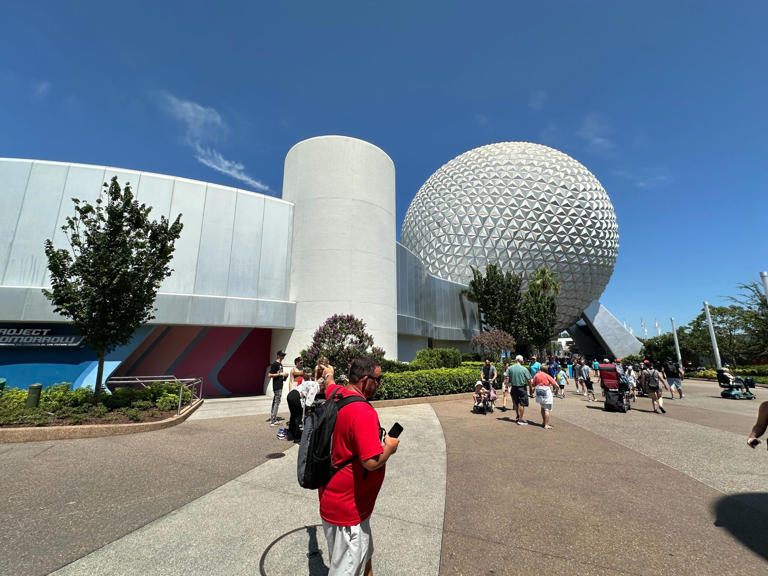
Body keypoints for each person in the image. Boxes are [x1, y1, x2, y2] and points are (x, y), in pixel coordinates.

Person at [319, 357, 399, 576]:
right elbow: (371, 462)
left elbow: (330, 384)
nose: (380, 384)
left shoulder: (337, 394)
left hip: (339, 500)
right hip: (348, 512)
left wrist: (328, 373)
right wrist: (390, 447)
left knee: (364, 560)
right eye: (378, 379)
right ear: (365, 380)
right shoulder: (362, 412)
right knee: (346, 569)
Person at [505, 355, 531, 425]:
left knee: (516, 403)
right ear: (520, 360)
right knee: (522, 403)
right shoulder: (524, 369)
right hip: (522, 388)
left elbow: (506, 377)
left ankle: (517, 416)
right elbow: (529, 380)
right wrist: (531, 388)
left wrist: (507, 386)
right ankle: (521, 419)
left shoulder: (510, 368)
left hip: (514, 388)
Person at [267, 350, 288, 426]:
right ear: (278, 355)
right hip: (277, 385)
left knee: (275, 401)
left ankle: (273, 417)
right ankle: (273, 420)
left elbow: (280, 374)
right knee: (277, 401)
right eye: (282, 355)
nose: (283, 357)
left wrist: (284, 375)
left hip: (280, 384)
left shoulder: (280, 364)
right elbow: (269, 375)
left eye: (284, 355)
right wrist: (280, 374)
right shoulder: (275, 364)